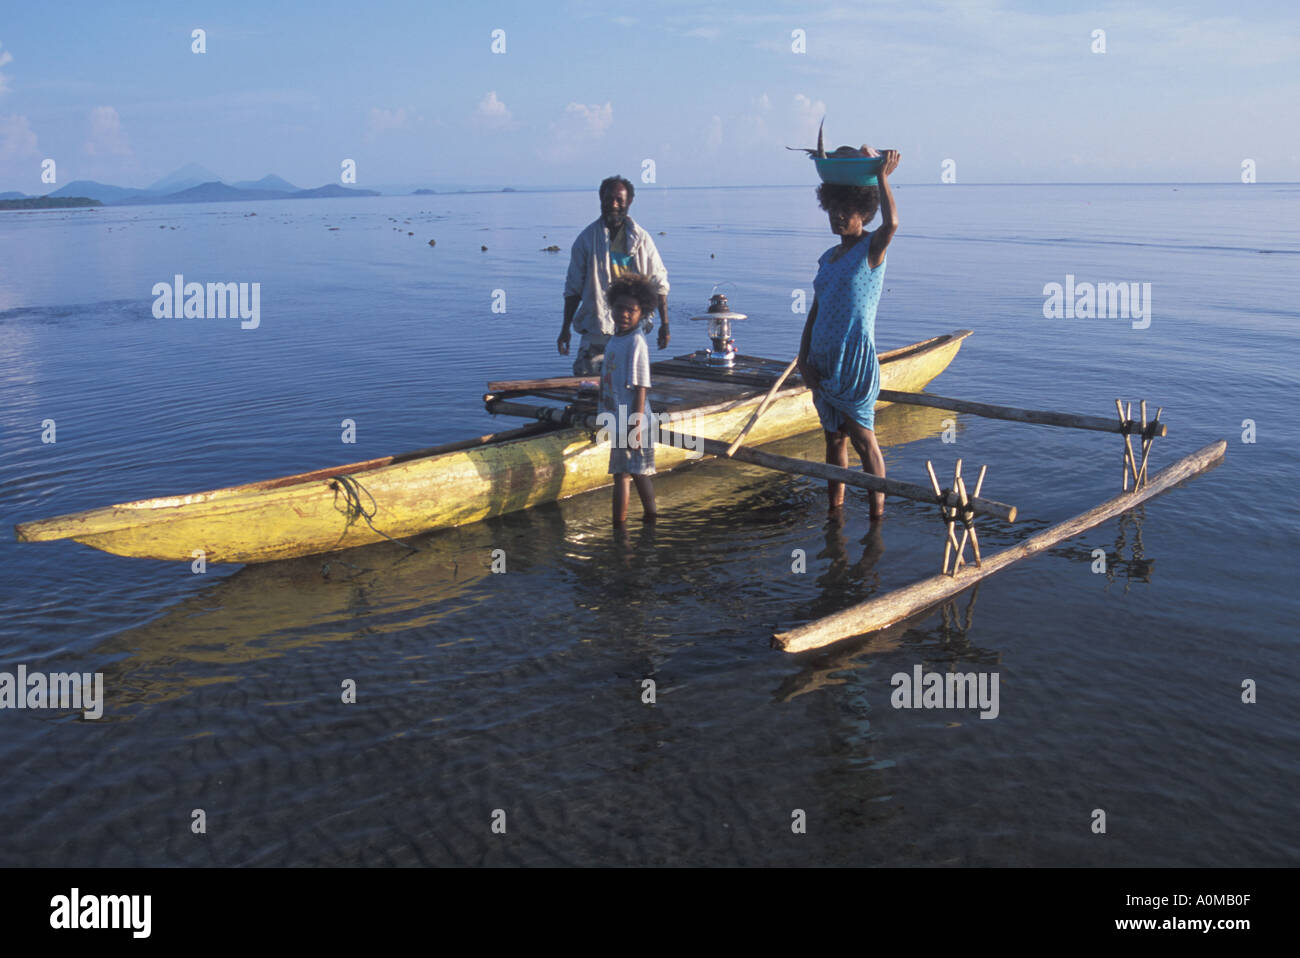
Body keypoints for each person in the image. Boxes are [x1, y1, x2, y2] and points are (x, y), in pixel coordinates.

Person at [796, 150, 902, 519]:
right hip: (821, 363)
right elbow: (816, 311)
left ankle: (877, 514)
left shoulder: (871, 250)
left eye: (848, 211)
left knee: (862, 437)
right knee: (834, 438)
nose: (839, 216)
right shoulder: (828, 258)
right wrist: (802, 358)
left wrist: (883, 177)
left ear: (864, 213)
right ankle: (835, 510)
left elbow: (893, 226)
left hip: (853, 363)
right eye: (834, 210)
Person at [559, 176, 670, 376]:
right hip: (596, 326)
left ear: (629, 202)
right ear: (600, 199)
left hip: (633, 326)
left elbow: (659, 283)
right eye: (609, 199)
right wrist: (565, 328)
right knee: (588, 383)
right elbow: (573, 288)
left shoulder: (642, 240)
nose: (614, 205)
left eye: (619, 200)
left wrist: (665, 325)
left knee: (629, 382)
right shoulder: (586, 240)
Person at [599, 274, 658, 524]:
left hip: (634, 422)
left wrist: (634, 427)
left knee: (623, 475)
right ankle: (651, 516)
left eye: (630, 310)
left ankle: (619, 527)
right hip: (621, 419)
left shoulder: (636, 342)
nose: (624, 314)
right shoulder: (616, 339)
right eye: (619, 308)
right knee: (638, 473)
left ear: (641, 313)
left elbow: (642, 387)